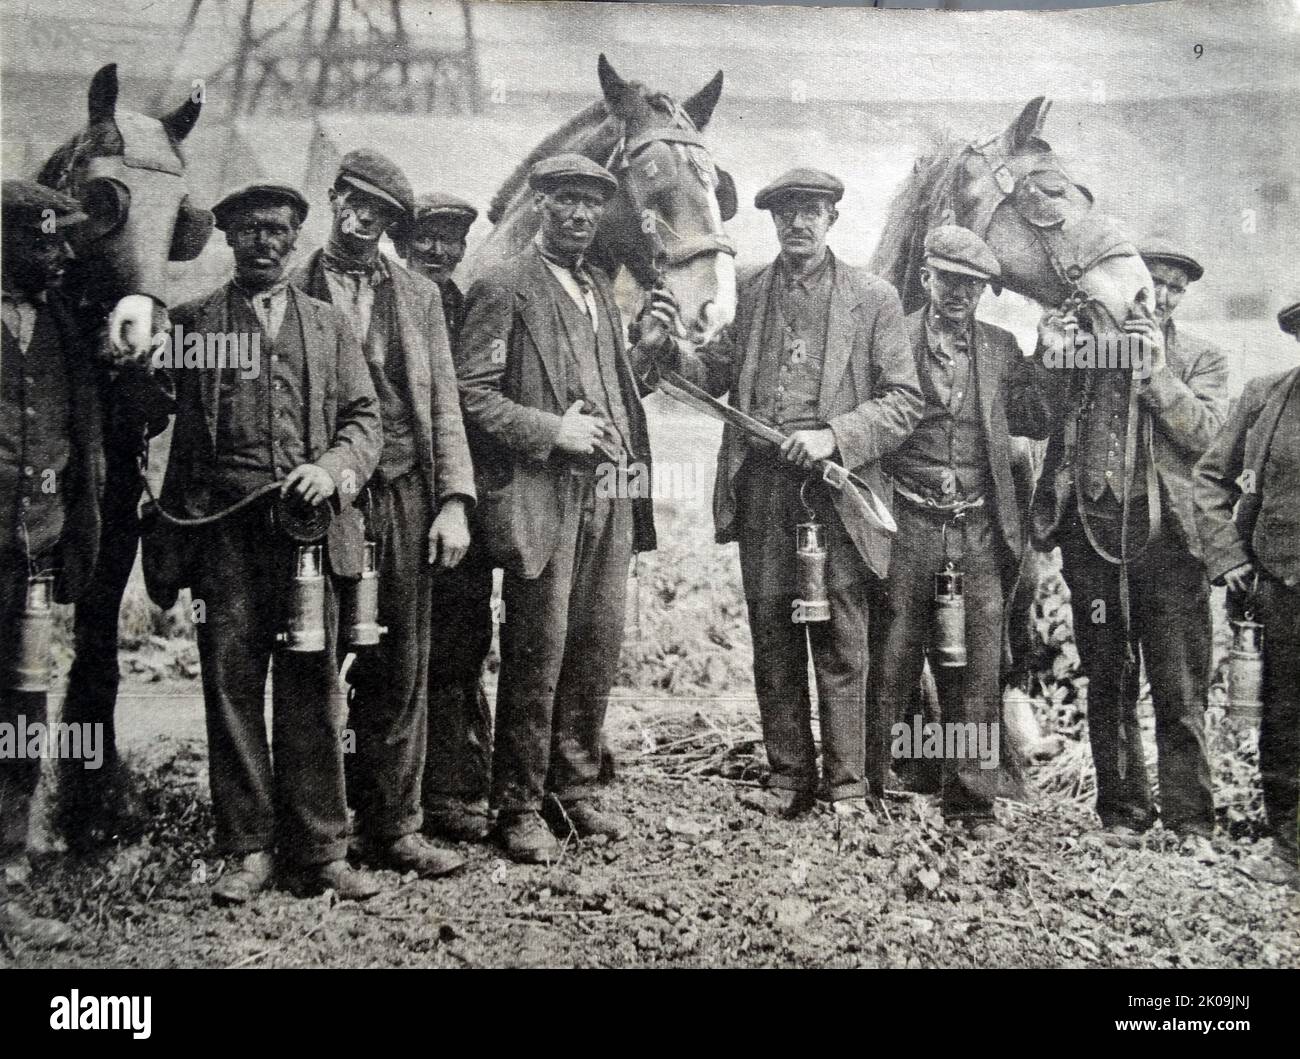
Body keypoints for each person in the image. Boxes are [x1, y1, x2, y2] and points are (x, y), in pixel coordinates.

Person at [648, 167, 923, 818]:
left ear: (832, 219)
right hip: (764, 492)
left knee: (841, 639)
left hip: (836, 492)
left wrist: (834, 436)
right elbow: (709, 373)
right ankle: (787, 776)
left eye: (812, 211)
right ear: (772, 221)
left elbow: (905, 401)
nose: (798, 223)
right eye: (786, 213)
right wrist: (666, 349)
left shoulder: (873, 298)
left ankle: (848, 784)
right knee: (773, 636)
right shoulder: (747, 292)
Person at [141, 183, 384, 903]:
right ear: (228, 237)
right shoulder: (193, 325)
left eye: (277, 229)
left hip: (309, 536)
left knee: (313, 687)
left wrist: (332, 470)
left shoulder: (328, 325)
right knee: (231, 684)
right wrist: (141, 369)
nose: (264, 242)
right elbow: (150, 417)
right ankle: (247, 848)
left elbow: (364, 420)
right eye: (248, 230)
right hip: (225, 540)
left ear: (295, 236)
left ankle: (320, 849)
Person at [456, 153, 661, 862]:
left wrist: (650, 357)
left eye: (591, 205)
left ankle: (570, 789)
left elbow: (613, 382)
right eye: (566, 201)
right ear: (540, 205)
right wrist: (553, 431)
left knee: (595, 642)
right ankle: (517, 804)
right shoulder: (503, 285)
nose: (579, 215)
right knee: (537, 648)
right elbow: (471, 394)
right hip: (544, 496)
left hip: (609, 495)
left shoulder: (601, 287)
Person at [292, 152, 475, 878]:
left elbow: (444, 405)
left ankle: (395, 826)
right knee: (315, 662)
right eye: (356, 204)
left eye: (383, 216)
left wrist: (455, 501)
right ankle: (318, 839)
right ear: (334, 199)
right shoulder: (294, 286)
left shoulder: (419, 297)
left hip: (403, 492)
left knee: (402, 665)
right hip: (324, 499)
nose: (365, 222)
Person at [1030, 238, 1228, 853]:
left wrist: (1155, 373)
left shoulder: (1200, 357)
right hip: (1092, 543)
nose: (1159, 297)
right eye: (1151, 284)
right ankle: (1122, 812)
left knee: (1178, 683)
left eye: (1172, 287)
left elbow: (1209, 436)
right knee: (1108, 677)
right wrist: (1048, 355)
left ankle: (1190, 820)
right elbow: (1039, 415)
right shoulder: (1085, 351)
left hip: (1169, 548)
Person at [871, 225, 1064, 836]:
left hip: (978, 528)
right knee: (893, 655)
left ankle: (971, 800)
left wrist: (1050, 357)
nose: (960, 294)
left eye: (973, 286)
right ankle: (875, 785)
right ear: (927, 277)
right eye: (950, 281)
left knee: (977, 667)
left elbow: (1033, 417)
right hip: (906, 522)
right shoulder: (891, 336)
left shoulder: (1002, 348)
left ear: (984, 291)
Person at [0, 180, 98, 946]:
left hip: (32, 549)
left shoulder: (63, 319)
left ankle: (8, 873)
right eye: (45, 241)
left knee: (23, 711)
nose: (62, 253)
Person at [393, 192, 496, 842]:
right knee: (395, 648)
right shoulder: (385, 303)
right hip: (402, 500)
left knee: (462, 641)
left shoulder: (465, 307)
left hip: (461, 505)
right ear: (403, 241)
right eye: (427, 238)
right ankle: (400, 785)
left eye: (451, 240)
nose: (438, 250)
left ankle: (455, 782)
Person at [1194, 298, 1300, 890]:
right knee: (1285, 722)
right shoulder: (1268, 397)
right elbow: (1210, 479)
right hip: (1281, 588)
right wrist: (1231, 556)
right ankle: (1289, 848)